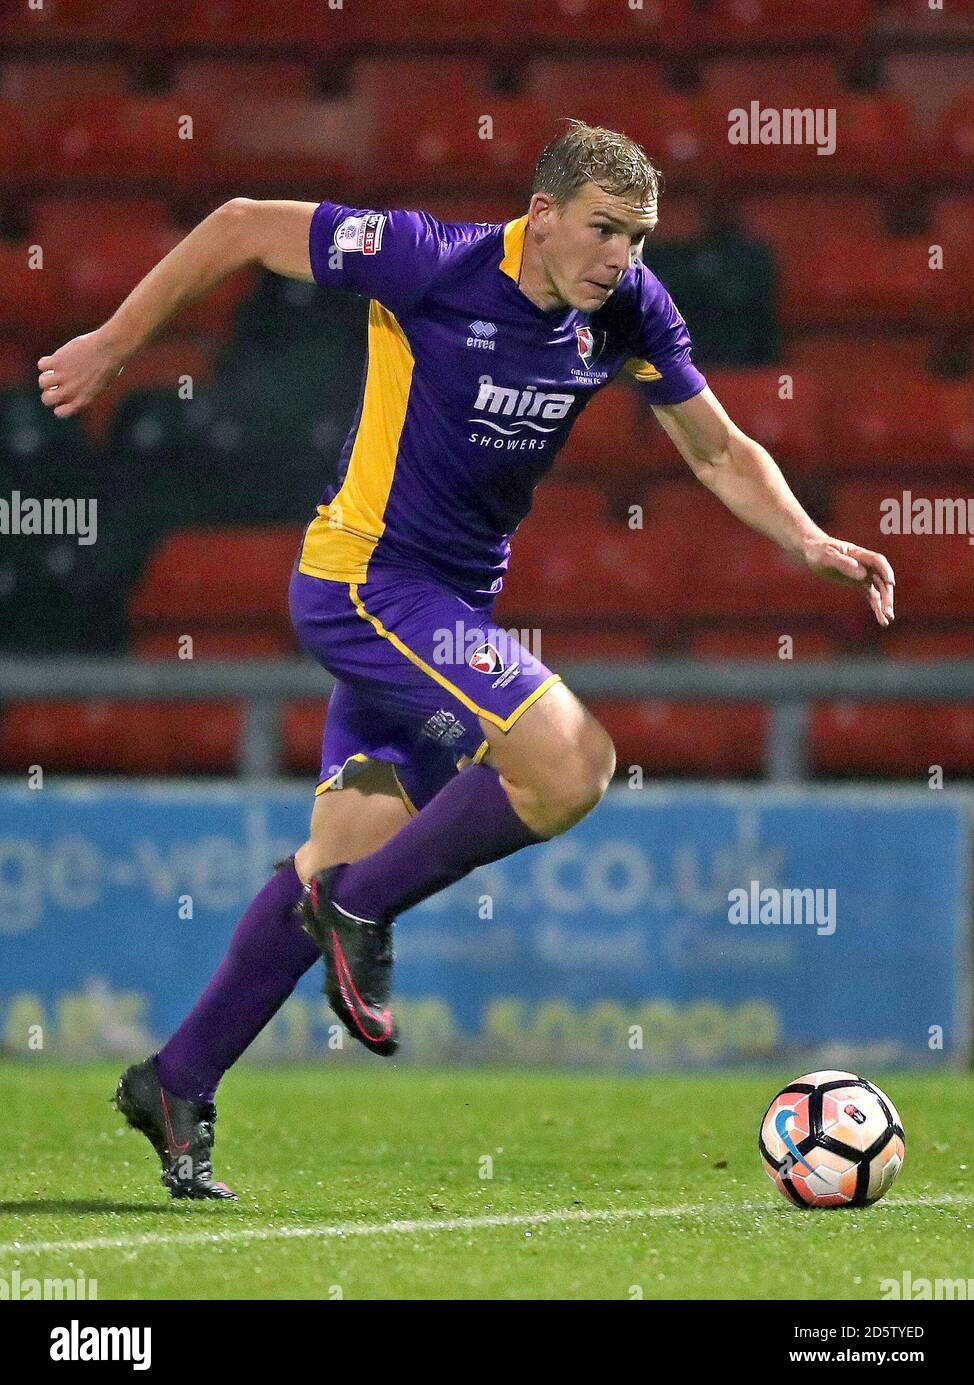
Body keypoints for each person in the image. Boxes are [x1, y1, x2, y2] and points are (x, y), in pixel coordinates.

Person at [36, 121, 895, 1199]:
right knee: (572, 760)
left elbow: (715, 447)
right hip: (364, 581)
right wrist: (118, 342)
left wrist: (806, 537)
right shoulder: (428, 261)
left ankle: (176, 1078)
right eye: (600, 230)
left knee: (331, 857)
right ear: (540, 216)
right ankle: (364, 912)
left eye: (634, 236)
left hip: (444, 613)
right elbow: (244, 226)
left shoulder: (626, 308)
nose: (617, 257)